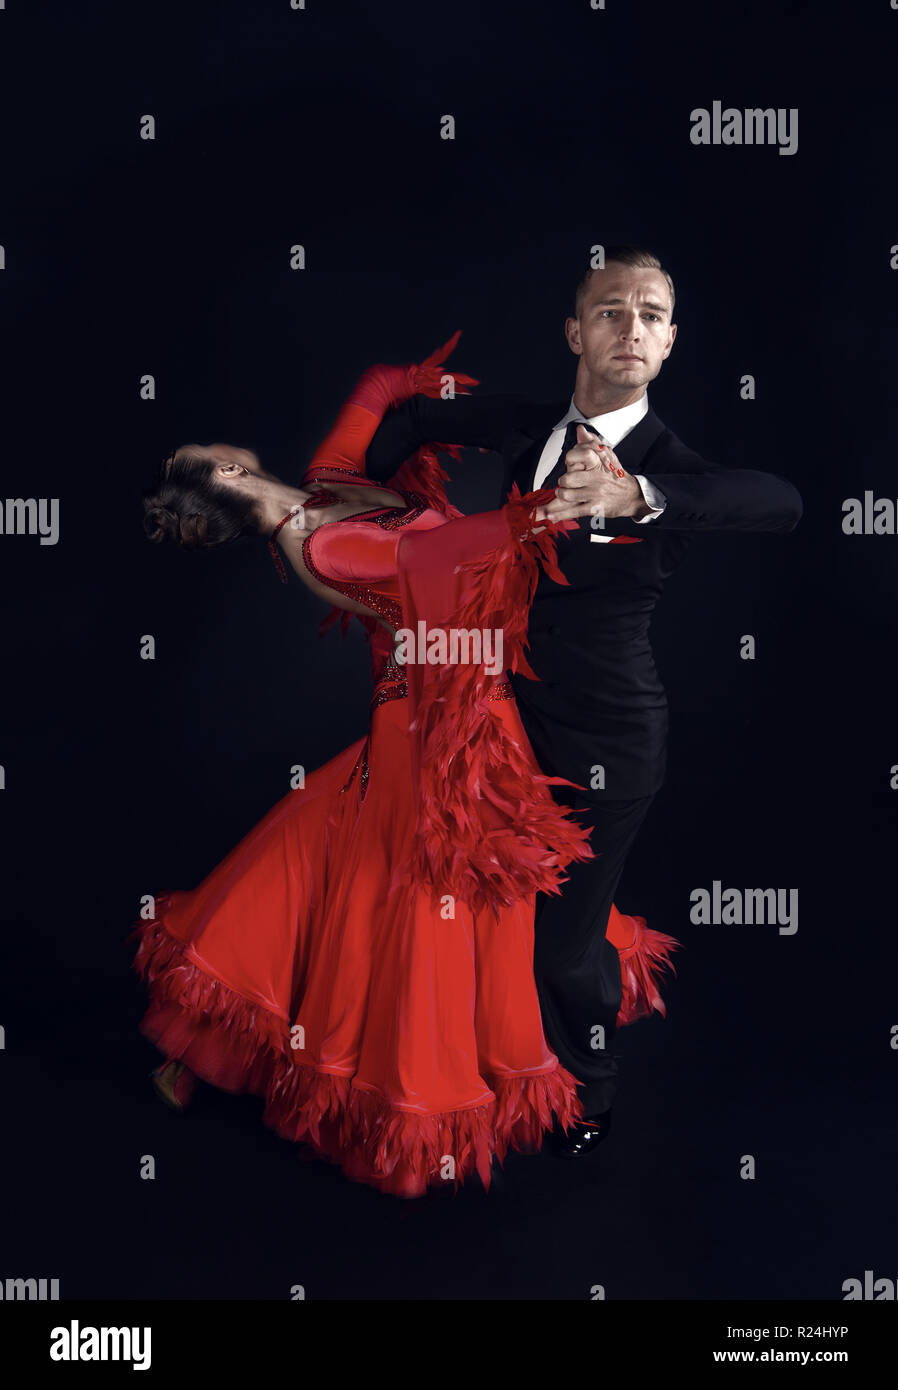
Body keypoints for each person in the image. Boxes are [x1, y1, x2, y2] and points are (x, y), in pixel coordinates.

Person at [130, 335, 679, 1198]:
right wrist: (554, 506)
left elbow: (383, 383)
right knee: (440, 898)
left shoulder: (326, 483)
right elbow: (442, 557)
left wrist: (479, 400)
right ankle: (437, 1087)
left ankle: (207, 1055)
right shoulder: (318, 540)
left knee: (324, 868)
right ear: (226, 479)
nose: (197, 445)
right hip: (437, 721)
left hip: (445, 694)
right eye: (192, 457)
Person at [364, 249, 804, 1157]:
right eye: (611, 311)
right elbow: (411, 419)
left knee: (565, 944)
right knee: (478, 910)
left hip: (609, 738)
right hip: (497, 731)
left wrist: (637, 494)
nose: (631, 327)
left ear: (670, 342)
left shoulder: (668, 466)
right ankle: (481, 1065)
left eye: (650, 314)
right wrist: (368, 492)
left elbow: (780, 502)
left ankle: (590, 1089)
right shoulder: (531, 429)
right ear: (577, 331)